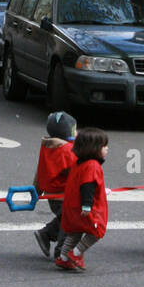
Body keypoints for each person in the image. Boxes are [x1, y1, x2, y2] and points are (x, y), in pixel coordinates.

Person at [55, 127, 109, 271]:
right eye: (104, 146)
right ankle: (76, 253)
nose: (107, 149)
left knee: (74, 233)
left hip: (72, 206)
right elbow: (88, 186)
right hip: (83, 207)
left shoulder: (79, 163)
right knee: (96, 232)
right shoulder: (93, 165)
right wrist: (87, 206)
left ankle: (64, 258)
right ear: (94, 149)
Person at [32, 111, 77, 259]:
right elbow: (77, 173)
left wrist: (36, 191)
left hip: (52, 195)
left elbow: (40, 171)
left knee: (64, 218)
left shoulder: (48, 147)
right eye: (75, 129)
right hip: (63, 195)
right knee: (70, 222)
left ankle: (45, 234)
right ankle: (62, 252)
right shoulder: (67, 152)